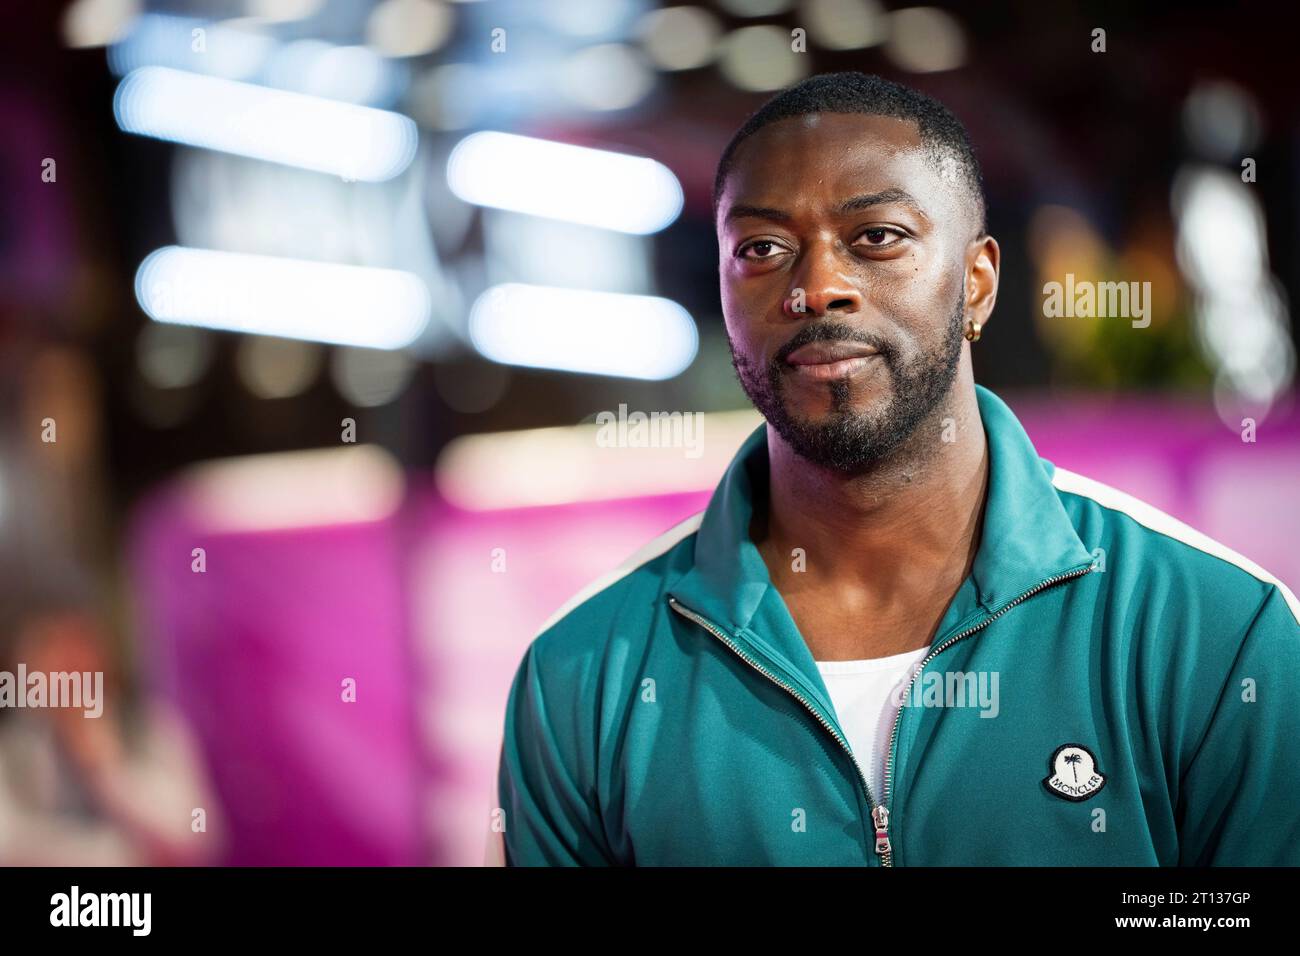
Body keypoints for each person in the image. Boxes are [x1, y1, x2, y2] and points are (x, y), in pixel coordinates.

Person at [495, 71, 1300, 866]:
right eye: (763, 247)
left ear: (978, 283)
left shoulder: (1217, 629)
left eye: (876, 237)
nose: (818, 288)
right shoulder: (583, 670)